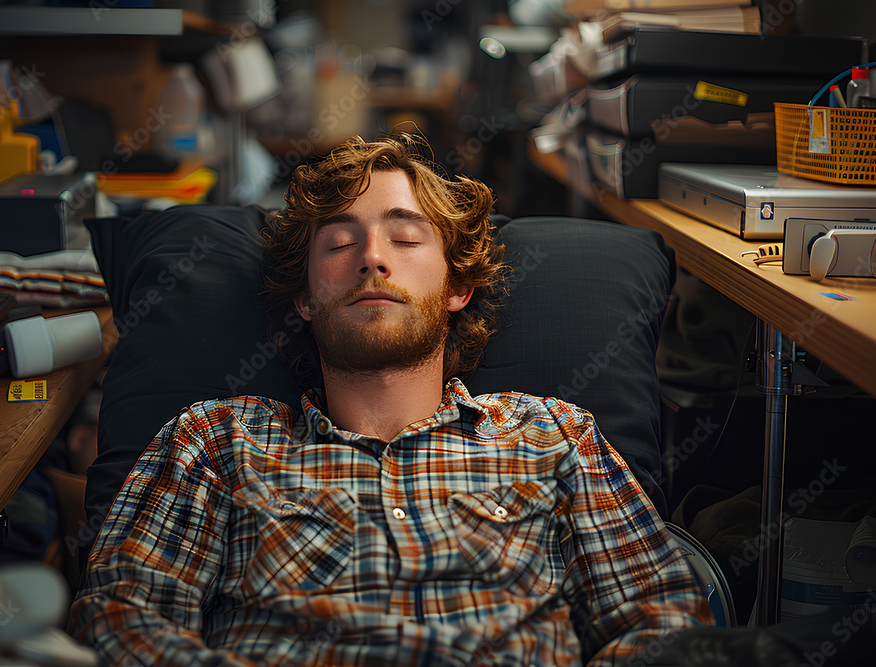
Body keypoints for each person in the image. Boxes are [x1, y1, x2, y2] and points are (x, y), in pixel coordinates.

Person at [68, 134, 712, 665]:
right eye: (340, 243)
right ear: (304, 298)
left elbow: (663, 618)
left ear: (458, 287)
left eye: (406, 239)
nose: (372, 259)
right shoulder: (216, 442)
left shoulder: (552, 436)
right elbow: (123, 616)